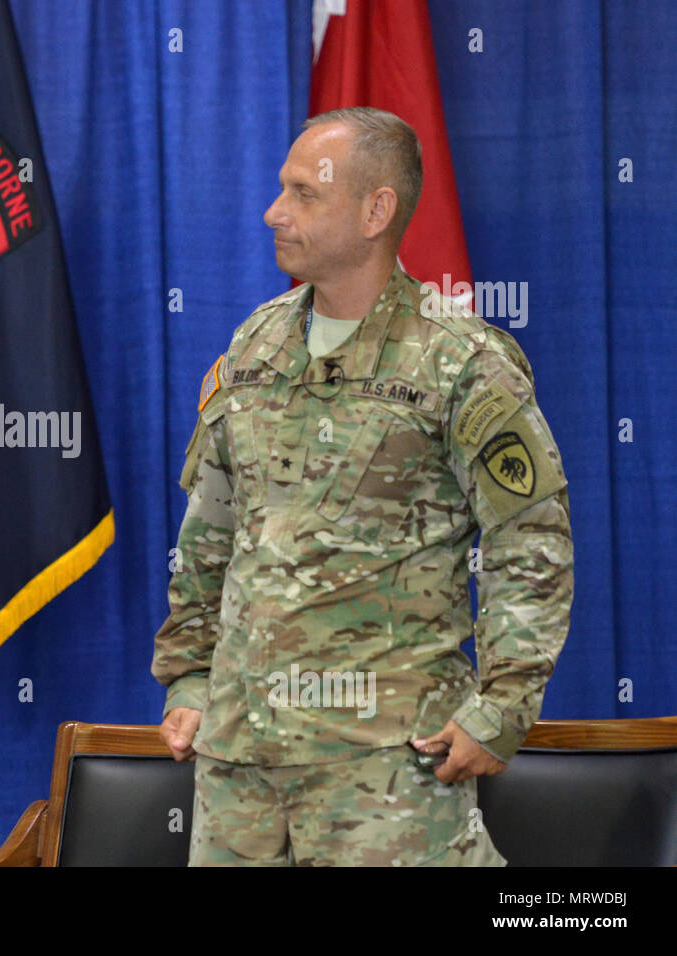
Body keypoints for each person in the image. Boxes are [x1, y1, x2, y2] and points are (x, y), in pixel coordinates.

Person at [152, 106, 573, 866]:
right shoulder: (254, 343)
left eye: (304, 193)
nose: (274, 212)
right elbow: (206, 534)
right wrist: (187, 676)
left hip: (385, 770)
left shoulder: (460, 361)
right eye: (281, 190)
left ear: (377, 210)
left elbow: (530, 540)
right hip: (239, 765)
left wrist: (502, 707)